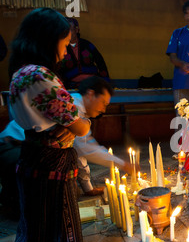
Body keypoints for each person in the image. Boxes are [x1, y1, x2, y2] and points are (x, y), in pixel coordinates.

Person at [0, 8, 91, 242]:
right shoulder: (41, 76)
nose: (65, 51)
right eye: (63, 44)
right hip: (51, 161)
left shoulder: (21, 72)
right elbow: (81, 127)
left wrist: (70, 123)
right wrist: (79, 121)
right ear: (48, 40)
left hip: (33, 155)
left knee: (39, 224)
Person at [0, 76, 134, 207]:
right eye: (104, 103)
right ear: (91, 94)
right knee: (61, 194)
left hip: (27, 149)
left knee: (68, 189)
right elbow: (86, 149)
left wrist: (88, 188)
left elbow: (78, 150)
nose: (103, 110)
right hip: (12, 148)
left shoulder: (79, 110)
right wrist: (123, 164)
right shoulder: (72, 106)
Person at [58, 17, 110, 89]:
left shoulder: (87, 45)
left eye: (71, 29)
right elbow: (58, 68)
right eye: (66, 30)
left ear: (76, 30)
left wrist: (106, 81)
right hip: (72, 85)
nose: (68, 33)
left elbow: (100, 62)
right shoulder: (62, 48)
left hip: (92, 83)